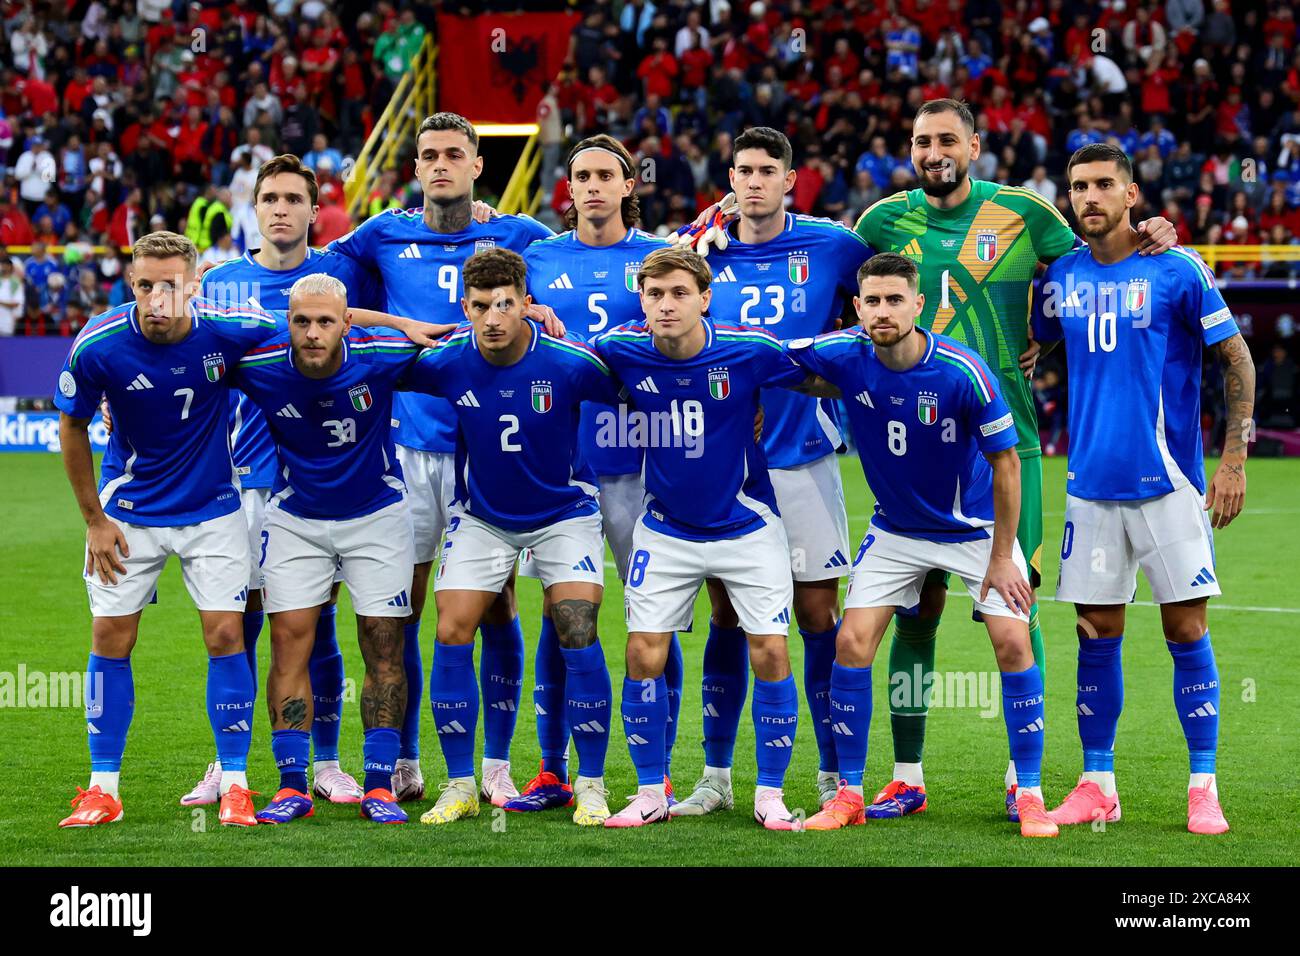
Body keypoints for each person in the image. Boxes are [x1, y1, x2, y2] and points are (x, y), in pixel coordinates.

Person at [849, 99, 1175, 819]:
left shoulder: (1028, 215)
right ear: (910, 148)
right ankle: (907, 775)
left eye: (947, 140)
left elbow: (1094, 269)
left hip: (1006, 446)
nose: (934, 151)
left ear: (974, 144)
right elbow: (843, 297)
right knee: (917, 614)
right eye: (921, 140)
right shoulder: (879, 222)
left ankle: (1018, 775)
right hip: (919, 450)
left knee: (1015, 612)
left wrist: (1147, 231)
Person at [781, 252, 1057, 838]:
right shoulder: (844, 355)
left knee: (1012, 642)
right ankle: (851, 792)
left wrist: (1003, 556)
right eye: (872, 302)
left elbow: (1006, 464)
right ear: (856, 309)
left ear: (919, 305)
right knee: (850, 644)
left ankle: (1029, 792)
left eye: (894, 300)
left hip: (972, 529)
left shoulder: (962, 371)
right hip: (896, 530)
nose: (882, 311)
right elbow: (768, 360)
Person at [329, 112, 554, 805]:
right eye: (429, 155)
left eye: (454, 154)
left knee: (495, 606)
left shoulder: (520, 233)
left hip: (492, 448)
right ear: (416, 164)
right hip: (412, 447)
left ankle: (493, 764)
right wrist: (400, 325)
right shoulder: (382, 234)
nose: (440, 165)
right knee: (402, 608)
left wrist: (543, 310)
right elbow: (322, 300)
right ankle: (399, 760)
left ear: (478, 164)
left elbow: (574, 267)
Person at [1032, 143, 1254, 835]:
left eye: (1103, 185)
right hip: (1089, 488)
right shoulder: (1060, 278)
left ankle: (1203, 786)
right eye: (1078, 187)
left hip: (1169, 487)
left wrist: (1234, 459)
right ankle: (1098, 783)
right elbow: (1025, 346)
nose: (1089, 197)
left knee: (1185, 630)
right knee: (1095, 635)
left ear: (1132, 195)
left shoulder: (1177, 268)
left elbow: (1235, 357)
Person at [672, 127, 872, 814]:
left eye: (768, 171)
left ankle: (830, 772)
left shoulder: (833, 245)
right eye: (743, 171)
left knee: (819, 614)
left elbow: (886, 303)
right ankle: (716, 779)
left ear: (791, 180)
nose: (754, 182)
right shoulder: (698, 249)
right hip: (728, 467)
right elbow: (664, 307)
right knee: (728, 615)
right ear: (729, 178)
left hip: (804, 458)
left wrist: (826, 373)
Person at [53, 231, 279, 828]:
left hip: (214, 511)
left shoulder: (229, 329)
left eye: (172, 286)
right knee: (110, 640)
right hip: (127, 515)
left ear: (195, 285)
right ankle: (103, 788)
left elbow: (317, 320)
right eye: (146, 285)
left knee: (227, 637)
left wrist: (402, 328)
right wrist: (94, 522)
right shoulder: (99, 344)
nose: (158, 299)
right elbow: (70, 428)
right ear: (132, 283)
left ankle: (235, 783)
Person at [180, 154, 384, 808]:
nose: (281, 209)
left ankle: (325, 762)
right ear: (256, 206)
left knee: (314, 621)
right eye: (270, 197)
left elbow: (372, 326)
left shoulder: (340, 273)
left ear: (313, 211)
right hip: (241, 475)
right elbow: (186, 352)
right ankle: (228, 760)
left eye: (295, 198)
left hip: (315, 479)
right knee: (237, 621)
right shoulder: (221, 281)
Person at [591, 247, 806, 831]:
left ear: (705, 299)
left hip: (748, 526)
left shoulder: (749, 349)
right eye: (654, 293)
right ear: (642, 299)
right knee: (642, 652)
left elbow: (824, 373)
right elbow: (559, 365)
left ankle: (769, 793)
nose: (666, 304)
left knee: (771, 651)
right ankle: (648, 791)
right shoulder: (619, 348)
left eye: (679, 293)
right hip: (664, 528)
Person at [403, 249, 619, 827]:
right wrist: (397, 323)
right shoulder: (447, 361)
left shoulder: (570, 362)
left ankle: (591, 783)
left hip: (564, 512)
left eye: (505, 304)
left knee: (576, 625)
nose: (493, 318)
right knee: (450, 629)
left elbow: (644, 382)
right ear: (464, 308)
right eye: (480, 306)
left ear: (527, 302)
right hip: (482, 518)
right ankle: (460, 784)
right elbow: (357, 356)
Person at [518, 133, 676, 813]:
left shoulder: (661, 260)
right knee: (564, 617)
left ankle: (657, 773)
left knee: (655, 618)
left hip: (642, 459)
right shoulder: (539, 258)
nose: (590, 186)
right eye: (580, 175)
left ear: (627, 185)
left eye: (604, 175)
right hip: (559, 462)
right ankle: (553, 770)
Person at [233, 274, 423, 826]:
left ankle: (380, 785)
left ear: (347, 322)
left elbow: (471, 345)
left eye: (325, 321)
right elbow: (190, 361)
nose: (312, 333)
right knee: (288, 644)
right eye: (301, 322)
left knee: (383, 647)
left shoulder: (382, 355)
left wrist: (532, 315)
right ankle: (293, 786)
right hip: (296, 521)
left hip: (378, 518)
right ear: (286, 323)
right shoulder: (261, 366)